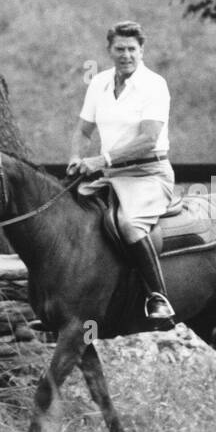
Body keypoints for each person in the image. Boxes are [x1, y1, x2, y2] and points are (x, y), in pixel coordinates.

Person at [67, 21, 176, 323]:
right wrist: (77, 156)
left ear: (142, 51)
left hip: (148, 173)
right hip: (111, 175)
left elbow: (148, 139)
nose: (126, 55)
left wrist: (102, 160)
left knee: (127, 224)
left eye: (132, 49)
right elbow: (83, 129)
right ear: (109, 50)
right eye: (120, 49)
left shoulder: (154, 85)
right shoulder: (99, 82)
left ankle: (158, 297)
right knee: (68, 215)